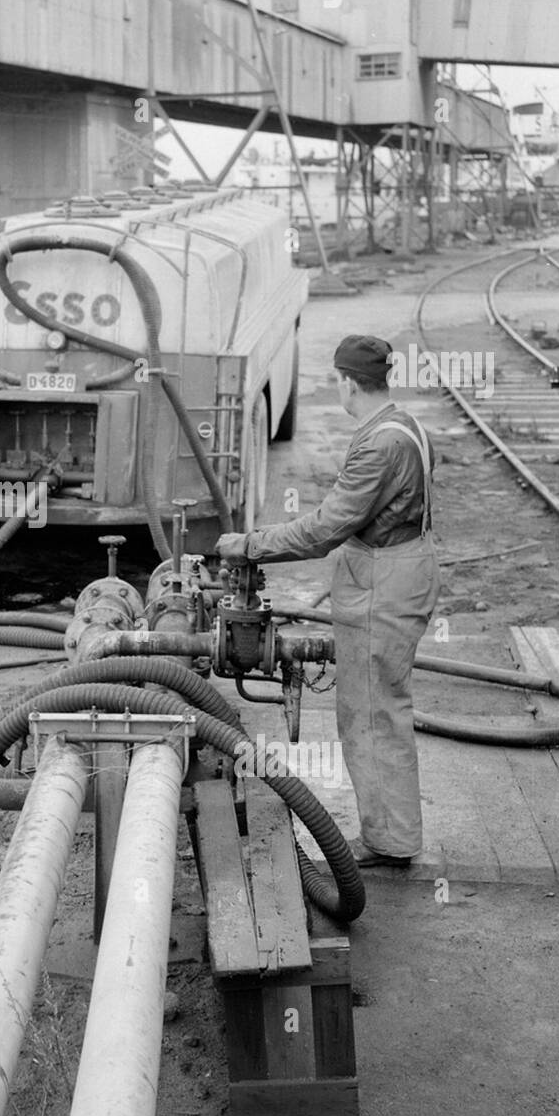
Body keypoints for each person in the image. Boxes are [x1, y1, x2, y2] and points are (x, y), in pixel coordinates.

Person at [216, 335, 441, 867]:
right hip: (395, 570)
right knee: (379, 709)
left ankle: (390, 843)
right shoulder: (403, 424)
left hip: (384, 586)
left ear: (346, 381)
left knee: (371, 715)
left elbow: (326, 529)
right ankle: (395, 834)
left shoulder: (379, 445)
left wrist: (250, 545)